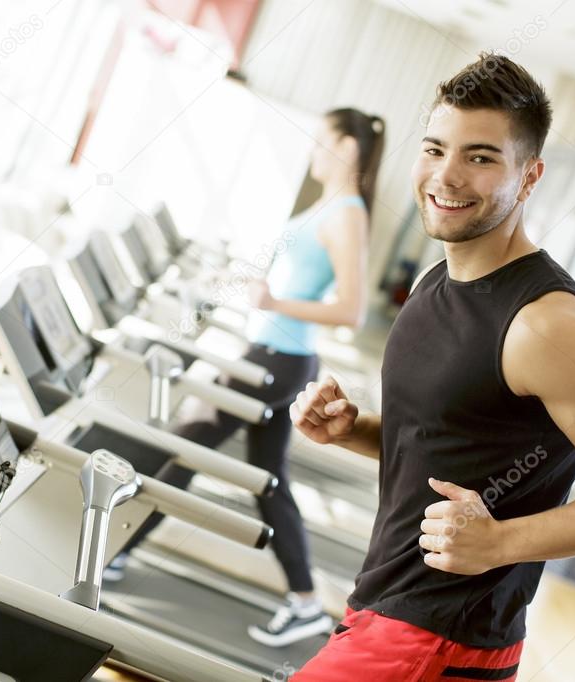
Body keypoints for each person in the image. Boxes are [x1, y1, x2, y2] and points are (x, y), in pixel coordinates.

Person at [289, 53, 575, 681]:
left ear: (529, 178)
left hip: (435, 638)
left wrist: (502, 542)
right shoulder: (438, 280)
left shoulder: (549, 324)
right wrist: (355, 429)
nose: (446, 175)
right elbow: (452, 447)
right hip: (388, 611)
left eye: (480, 157)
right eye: (435, 149)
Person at [104, 107, 386, 648]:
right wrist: (235, 277)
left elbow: (350, 310)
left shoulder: (348, 213)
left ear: (347, 148)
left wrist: (274, 302)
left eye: (321, 141)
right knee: (268, 479)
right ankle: (305, 600)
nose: (312, 151)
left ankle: (115, 552)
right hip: (273, 354)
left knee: (187, 446)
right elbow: (288, 274)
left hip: (278, 360)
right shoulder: (329, 205)